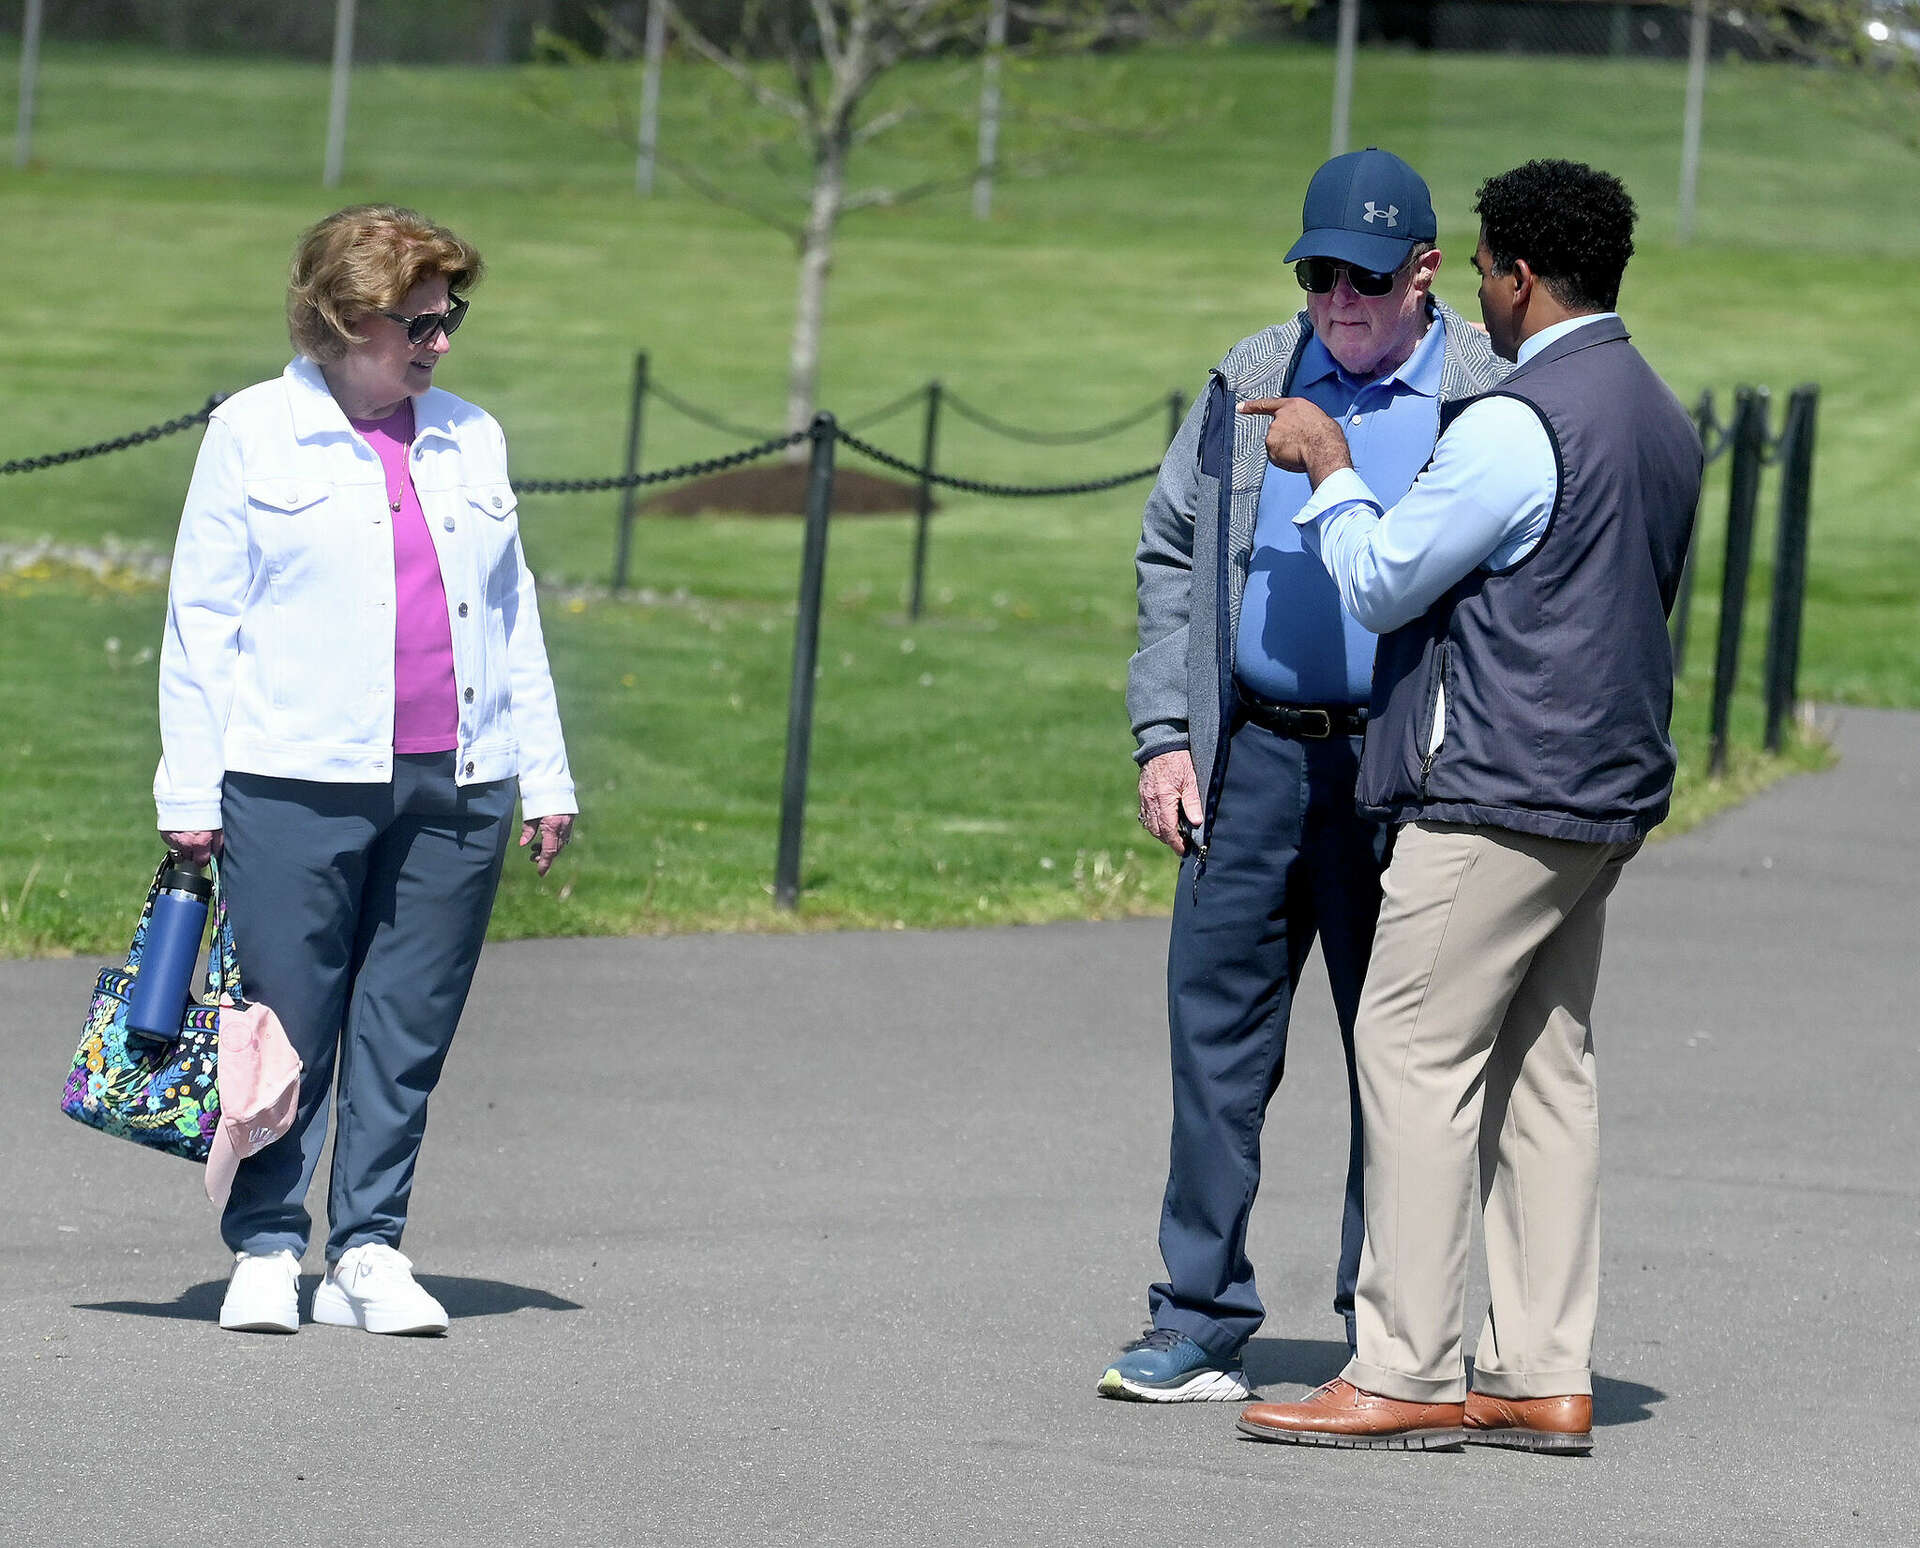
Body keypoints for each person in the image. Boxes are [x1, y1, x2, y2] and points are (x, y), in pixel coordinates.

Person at [1232, 160, 1702, 1450]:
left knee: (1409, 1049)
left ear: (1522, 278)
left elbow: (1386, 578)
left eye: (1489, 269)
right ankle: (1541, 1371)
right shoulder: (1660, 412)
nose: (1483, 294)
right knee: (1545, 1068)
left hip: (1496, 786)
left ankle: (1403, 1368)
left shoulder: (1515, 420)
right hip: (1603, 791)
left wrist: (1328, 463)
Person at [1100, 149, 1505, 1402]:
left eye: (1365, 280)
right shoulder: (1253, 372)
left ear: (1424, 272)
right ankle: (1196, 1313)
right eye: (1318, 275)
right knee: (1215, 1041)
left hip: (1409, 769)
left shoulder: (1488, 393)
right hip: (1253, 756)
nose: (1339, 302)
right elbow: (1172, 551)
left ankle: (1383, 1326)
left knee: (1402, 1058)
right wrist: (1167, 734)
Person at [154, 204, 578, 1337]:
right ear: (344, 322)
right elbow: (201, 622)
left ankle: (369, 1250)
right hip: (293, 776)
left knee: (408, 1025)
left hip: (459, 782)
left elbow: (510, 613)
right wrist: (189, 792)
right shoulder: (252, 432)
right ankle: (265, 1243)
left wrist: (545, 773)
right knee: (284, 1021)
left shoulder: (472, 436)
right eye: (417, 324)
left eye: (450, 319)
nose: (440, 343)